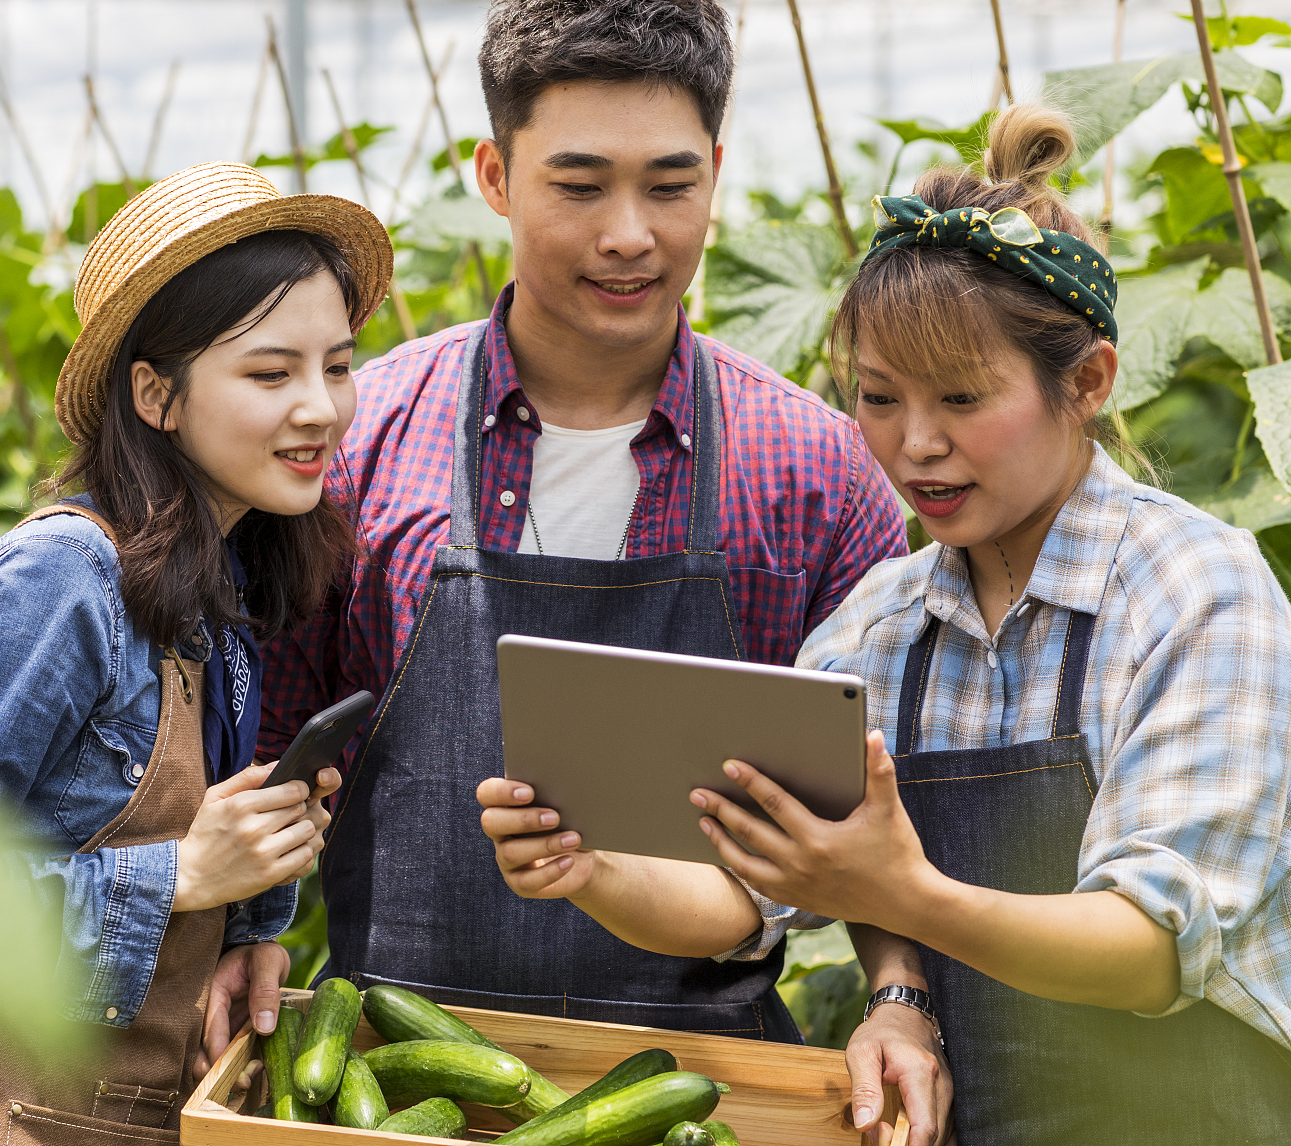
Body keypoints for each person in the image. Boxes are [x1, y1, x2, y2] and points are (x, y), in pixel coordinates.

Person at [482, 104, 1291, 1145]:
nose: (914, 446)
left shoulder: (1192, 593)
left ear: (1084, 383)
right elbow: (743, 893)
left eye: (960, 397)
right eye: (875, 396)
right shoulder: (884, 623)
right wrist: (592, 871)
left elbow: (1146, 954)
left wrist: (899, 893)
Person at [261, 0, 935, 1107]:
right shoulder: (358, 443)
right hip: (393, 1080)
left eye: (669, 186)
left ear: (716, 175)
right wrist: (244, 938)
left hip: (705, 1087)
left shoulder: (813, 472)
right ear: (493, 174)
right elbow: (270, 743)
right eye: (578, 185)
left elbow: (884, 793)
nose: (628, 233)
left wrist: (897, 998)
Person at [0, 163, 396, 1144]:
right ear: (155, 394)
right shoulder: (64, 576)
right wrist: (185, 876)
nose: (321, 408)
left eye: (336, 364)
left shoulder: (220, 584)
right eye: (268, 372)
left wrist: (243, 932)